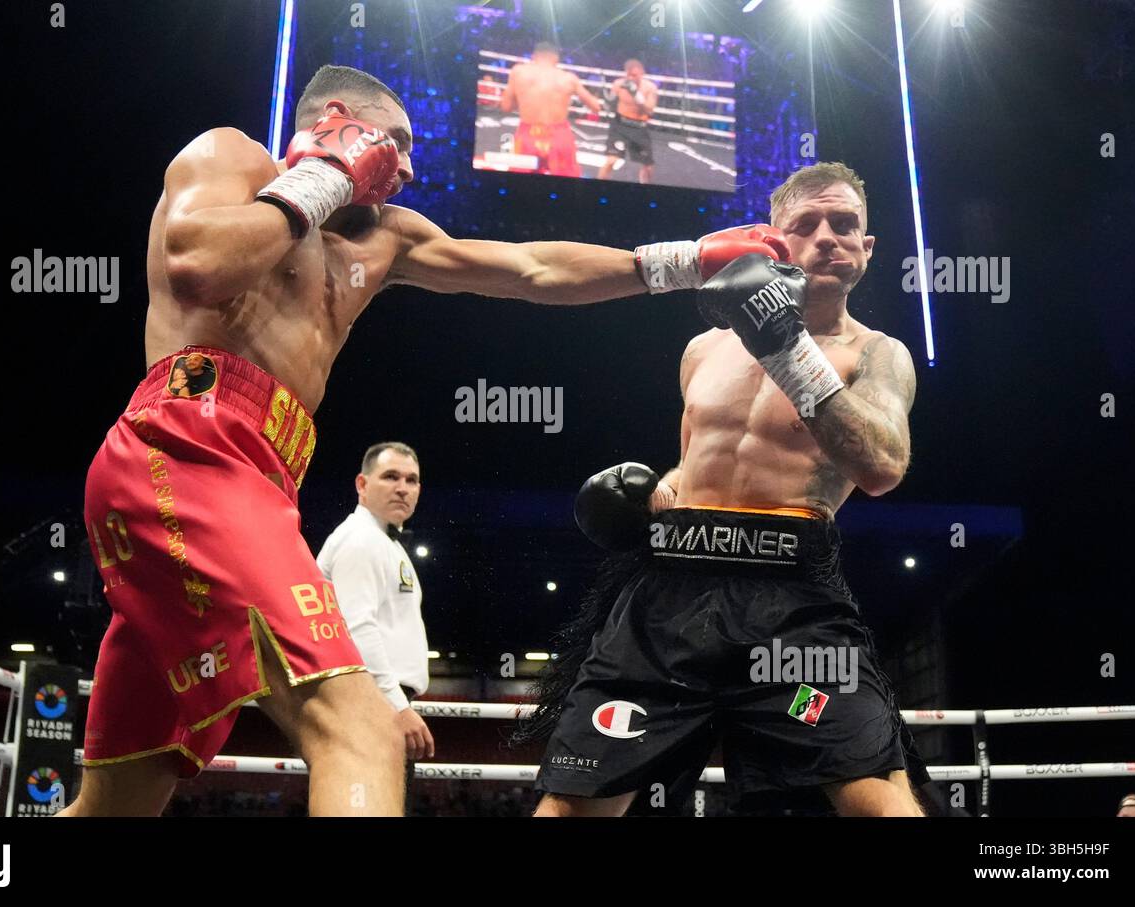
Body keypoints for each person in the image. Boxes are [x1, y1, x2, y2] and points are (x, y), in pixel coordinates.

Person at [62, 63, 784, 817]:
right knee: (361, 731)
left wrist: (685, 261)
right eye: (397, 143)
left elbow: (531, 268)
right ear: (339, 119)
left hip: (258, 472)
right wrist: (327, 174)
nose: (407, 168)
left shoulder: (386, 238)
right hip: (190, 445)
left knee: (117, 802)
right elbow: (197, 264)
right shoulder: (232, 158)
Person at [526, 162, 929, 817]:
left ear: (868, 246)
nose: (827, 237)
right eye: (806, 224)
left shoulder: (878, 354)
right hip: (668, 602)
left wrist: (786, 346)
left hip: (793, 611)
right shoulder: (703, 349)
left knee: (878, 797)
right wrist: (650, 494)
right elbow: (689, 469)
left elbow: (883, 463)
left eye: (844, 224)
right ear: (773, 240)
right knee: (572, 803)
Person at [317, 443, 433, 763]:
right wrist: (397, 705)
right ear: (362, 484)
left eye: (411, 480)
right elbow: (357, 628)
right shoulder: (361, 540)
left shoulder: (384, 542)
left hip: (375, 697)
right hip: (370, 699)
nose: (402, 488)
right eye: (391, 476)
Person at [500, 42, 603, 177]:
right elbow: (596, 107)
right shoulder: (569, 78)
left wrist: (525, 97)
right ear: (556, 58)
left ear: (534, 56)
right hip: (559, 136)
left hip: (527, 135)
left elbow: (506, 107)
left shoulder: (518, 72)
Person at [597, 59, 658, 184]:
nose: (630, 78)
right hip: (620, 126)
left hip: (639, 128)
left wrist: (636, 95)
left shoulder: (650, 88)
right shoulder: (619, 84)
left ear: (642, 73)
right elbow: (610, 106)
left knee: (648, 167)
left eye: (634, 75)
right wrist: (608, 102)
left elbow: (650, 111)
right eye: (628, 75)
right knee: (611, 161)